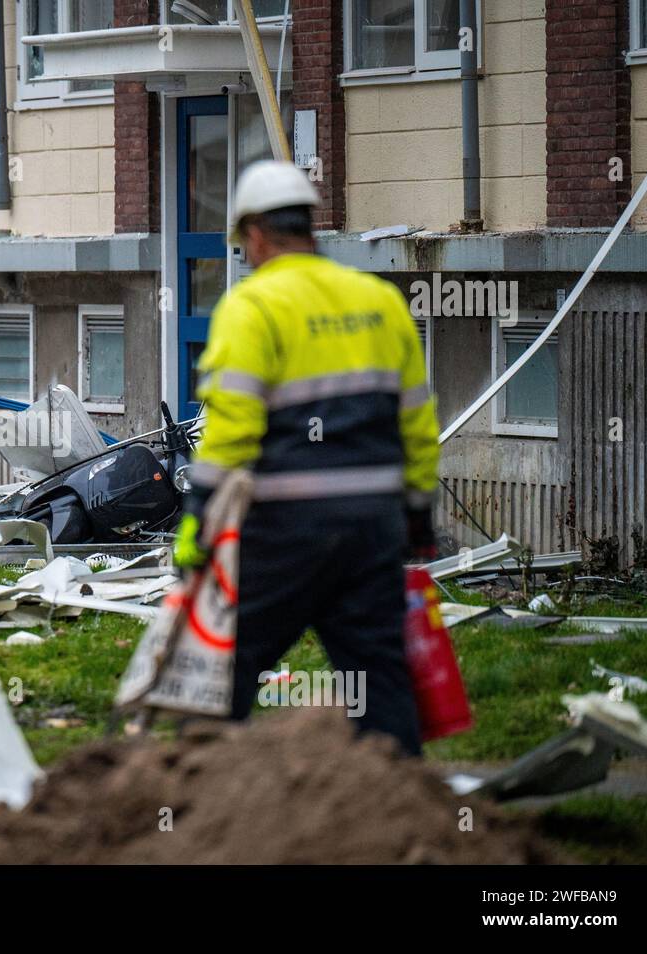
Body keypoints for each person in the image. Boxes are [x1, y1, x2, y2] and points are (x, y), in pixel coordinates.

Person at [173, 160, 440, 756]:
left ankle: (200, 802)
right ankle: (405, 815)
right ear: (310, 229)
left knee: (225, 665)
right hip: (374, 526)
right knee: (377, 677)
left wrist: (198, 515)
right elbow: (418, 424)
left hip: (287, 529)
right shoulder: (379, 301)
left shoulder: (252, 307)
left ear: (256, 236)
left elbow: (233, 430)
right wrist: (417, 516)